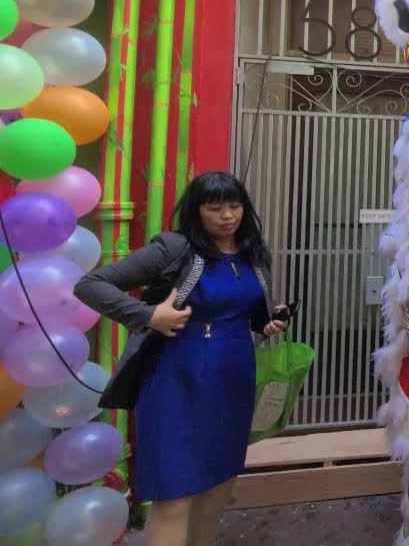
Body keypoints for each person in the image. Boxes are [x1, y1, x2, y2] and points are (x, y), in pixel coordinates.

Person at [75, 171, 288, 546]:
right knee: (174, 495)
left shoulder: (254, 253)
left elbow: (249, 312)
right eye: (215, 207)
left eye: (235, 205)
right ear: (196, 210)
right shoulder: (174, 248)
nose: (227, 216)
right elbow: (91, 284)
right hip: (177, 378)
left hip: (233, 379)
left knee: (218, 486)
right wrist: (148, 315)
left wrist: (269, 320)